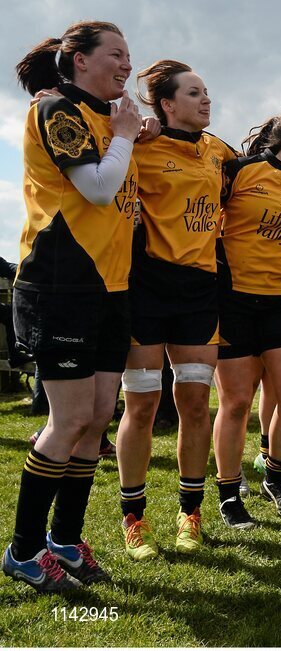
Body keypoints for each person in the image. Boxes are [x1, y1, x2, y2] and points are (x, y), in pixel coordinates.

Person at [4, 21, 141, 592]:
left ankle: (64, 541)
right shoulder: (55, 108)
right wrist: (127, 134)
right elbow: (99, 189)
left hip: (110, 287)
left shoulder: (105, 117)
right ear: (79, 59)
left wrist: (130, 131)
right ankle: (23, 551)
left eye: (129, 55)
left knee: (97, 417)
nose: (127, 65)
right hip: (61, 285)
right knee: (70, 420)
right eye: (116, 54)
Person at [113, 59, 237, 561]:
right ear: (166, 104)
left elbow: (259, 170)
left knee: (195, 404)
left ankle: (191, 512)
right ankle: (133, 518)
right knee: (142, 405)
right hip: (147, 286)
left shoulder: (218, 151)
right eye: (193, 93)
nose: (206, 100)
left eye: (206, 92)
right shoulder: (142, 145)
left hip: (200, 291)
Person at [212, 107, 281, 526]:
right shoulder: (239, 172)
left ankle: (275, 479)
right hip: (233, 302)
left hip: (280, 303)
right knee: (237, 402)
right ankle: (229, 493)